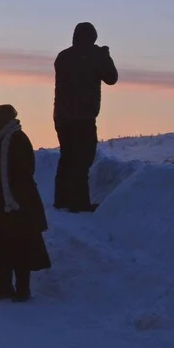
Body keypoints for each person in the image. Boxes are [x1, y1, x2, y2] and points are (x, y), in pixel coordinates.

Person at [0, 104, 50, 302]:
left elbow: (24, 171)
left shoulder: (17, 139)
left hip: (17, 204)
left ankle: (22, 289)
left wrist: (12, 196)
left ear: (3, 119)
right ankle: (2, 286)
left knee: (20, 246)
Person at [53, 22, 119, 212]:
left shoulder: (63, 57)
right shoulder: (95, 56)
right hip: (83, 117)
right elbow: (111, 78)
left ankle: (62, 199)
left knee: (67, 157)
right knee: (83, 159)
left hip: (61, 116)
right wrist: (106, 56)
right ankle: (78, 202)